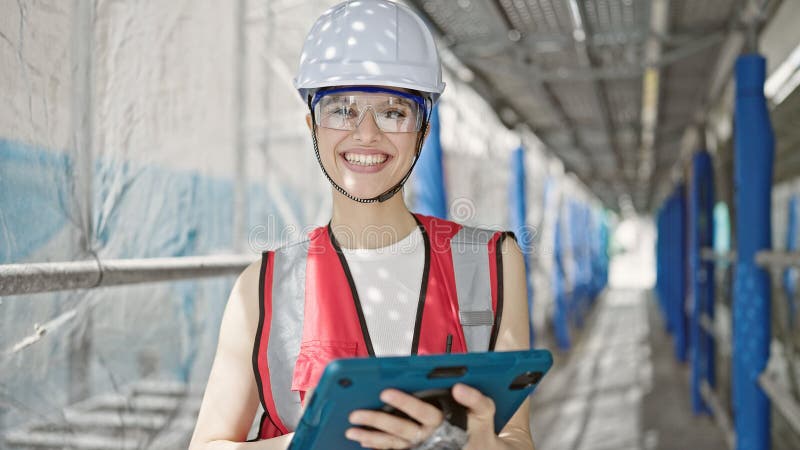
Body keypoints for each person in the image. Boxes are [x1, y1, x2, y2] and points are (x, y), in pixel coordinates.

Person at [189, 1, 534, 449]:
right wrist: (316, 441)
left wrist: (474, 443)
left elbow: (517, 437)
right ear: (312, 125)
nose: (366, 133)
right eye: (342, 110)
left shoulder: (490, 265)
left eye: (393, 111)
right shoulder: (262, 289)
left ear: (423, 132)